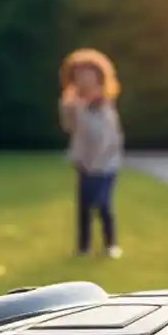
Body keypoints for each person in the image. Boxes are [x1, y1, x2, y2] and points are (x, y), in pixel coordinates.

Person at [58, 48, 124, 259]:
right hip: (84, 162)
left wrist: (99, 160)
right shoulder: (74, 104)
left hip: (107, 163)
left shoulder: (104, 104)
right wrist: (70, 108)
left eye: (89, 75)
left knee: (103, 203)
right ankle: (83, 247)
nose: (84, 80)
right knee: (84, 205)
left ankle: (110, 244)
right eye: (79, 76)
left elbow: (107, 136)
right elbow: (69, 127)